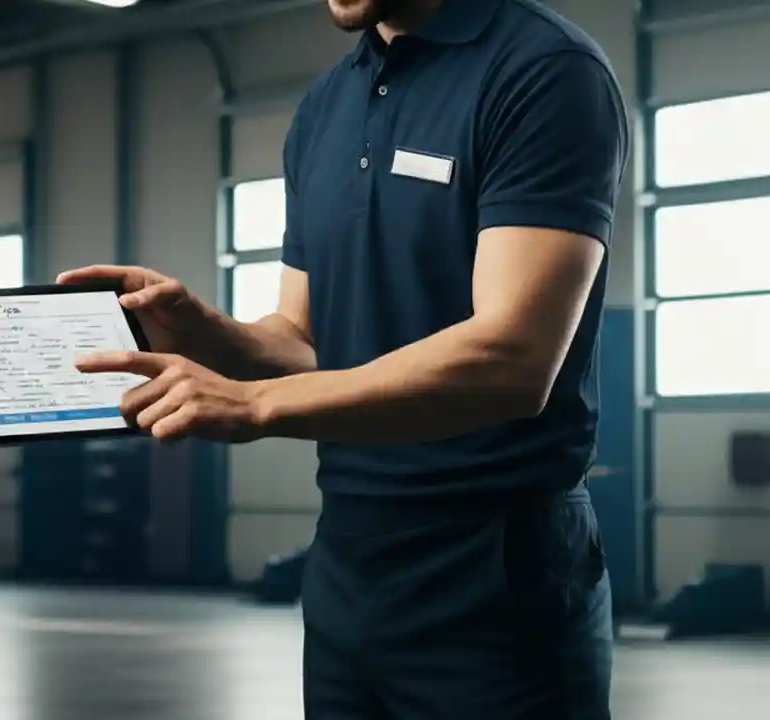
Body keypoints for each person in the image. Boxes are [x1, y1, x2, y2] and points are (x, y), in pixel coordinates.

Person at [59, 0, 629, 717]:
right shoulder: (327, 105)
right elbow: (304, 343)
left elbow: (513, 359)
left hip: (496, 568)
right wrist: (201, 330)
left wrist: (253, 406)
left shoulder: (544, 71)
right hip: (347, 560)